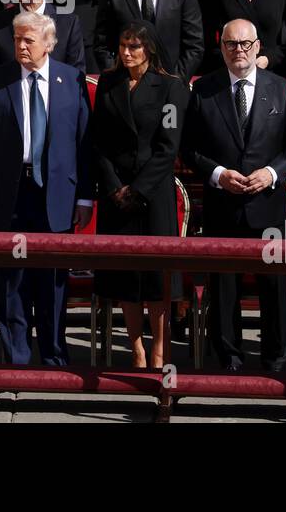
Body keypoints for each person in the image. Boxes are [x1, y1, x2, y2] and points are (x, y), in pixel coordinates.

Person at [185, 12, 286, 374]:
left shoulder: (281, 89)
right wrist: (218, 175)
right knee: (224, 287)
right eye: (230, 44)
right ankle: (229, 359)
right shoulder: (204, 90)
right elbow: (189, 150)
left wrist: (271, 174)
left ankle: (276, 359)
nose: (238, 50)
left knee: (274, 285)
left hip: (266, 205)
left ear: (258, 47)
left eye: (245, 43)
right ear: (220, 48)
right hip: (222, 203)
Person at [0, 9, 90, 365]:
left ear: (48, 44)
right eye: (16, 39)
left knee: (52, 279)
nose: (20, 46)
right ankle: (16, 357)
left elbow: (84, 143)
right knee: (12, 279)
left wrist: (84, 196)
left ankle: (54, 354)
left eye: (28, 40)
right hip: (12, 193)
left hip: (56, 195)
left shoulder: (72, 80)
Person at [90, 20, 189, 368]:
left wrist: (140, 189)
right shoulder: (108, 82)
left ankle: (160, 347)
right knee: (125, 275)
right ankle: (136, 348)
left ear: (149, 49)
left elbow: (169, 145)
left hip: (153, 194)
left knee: (155, 277)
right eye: (122, 45)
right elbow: (97, 140)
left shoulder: (172, 88)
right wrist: (116, 186)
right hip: (117, 193)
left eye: (134, 46)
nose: (127, 52)